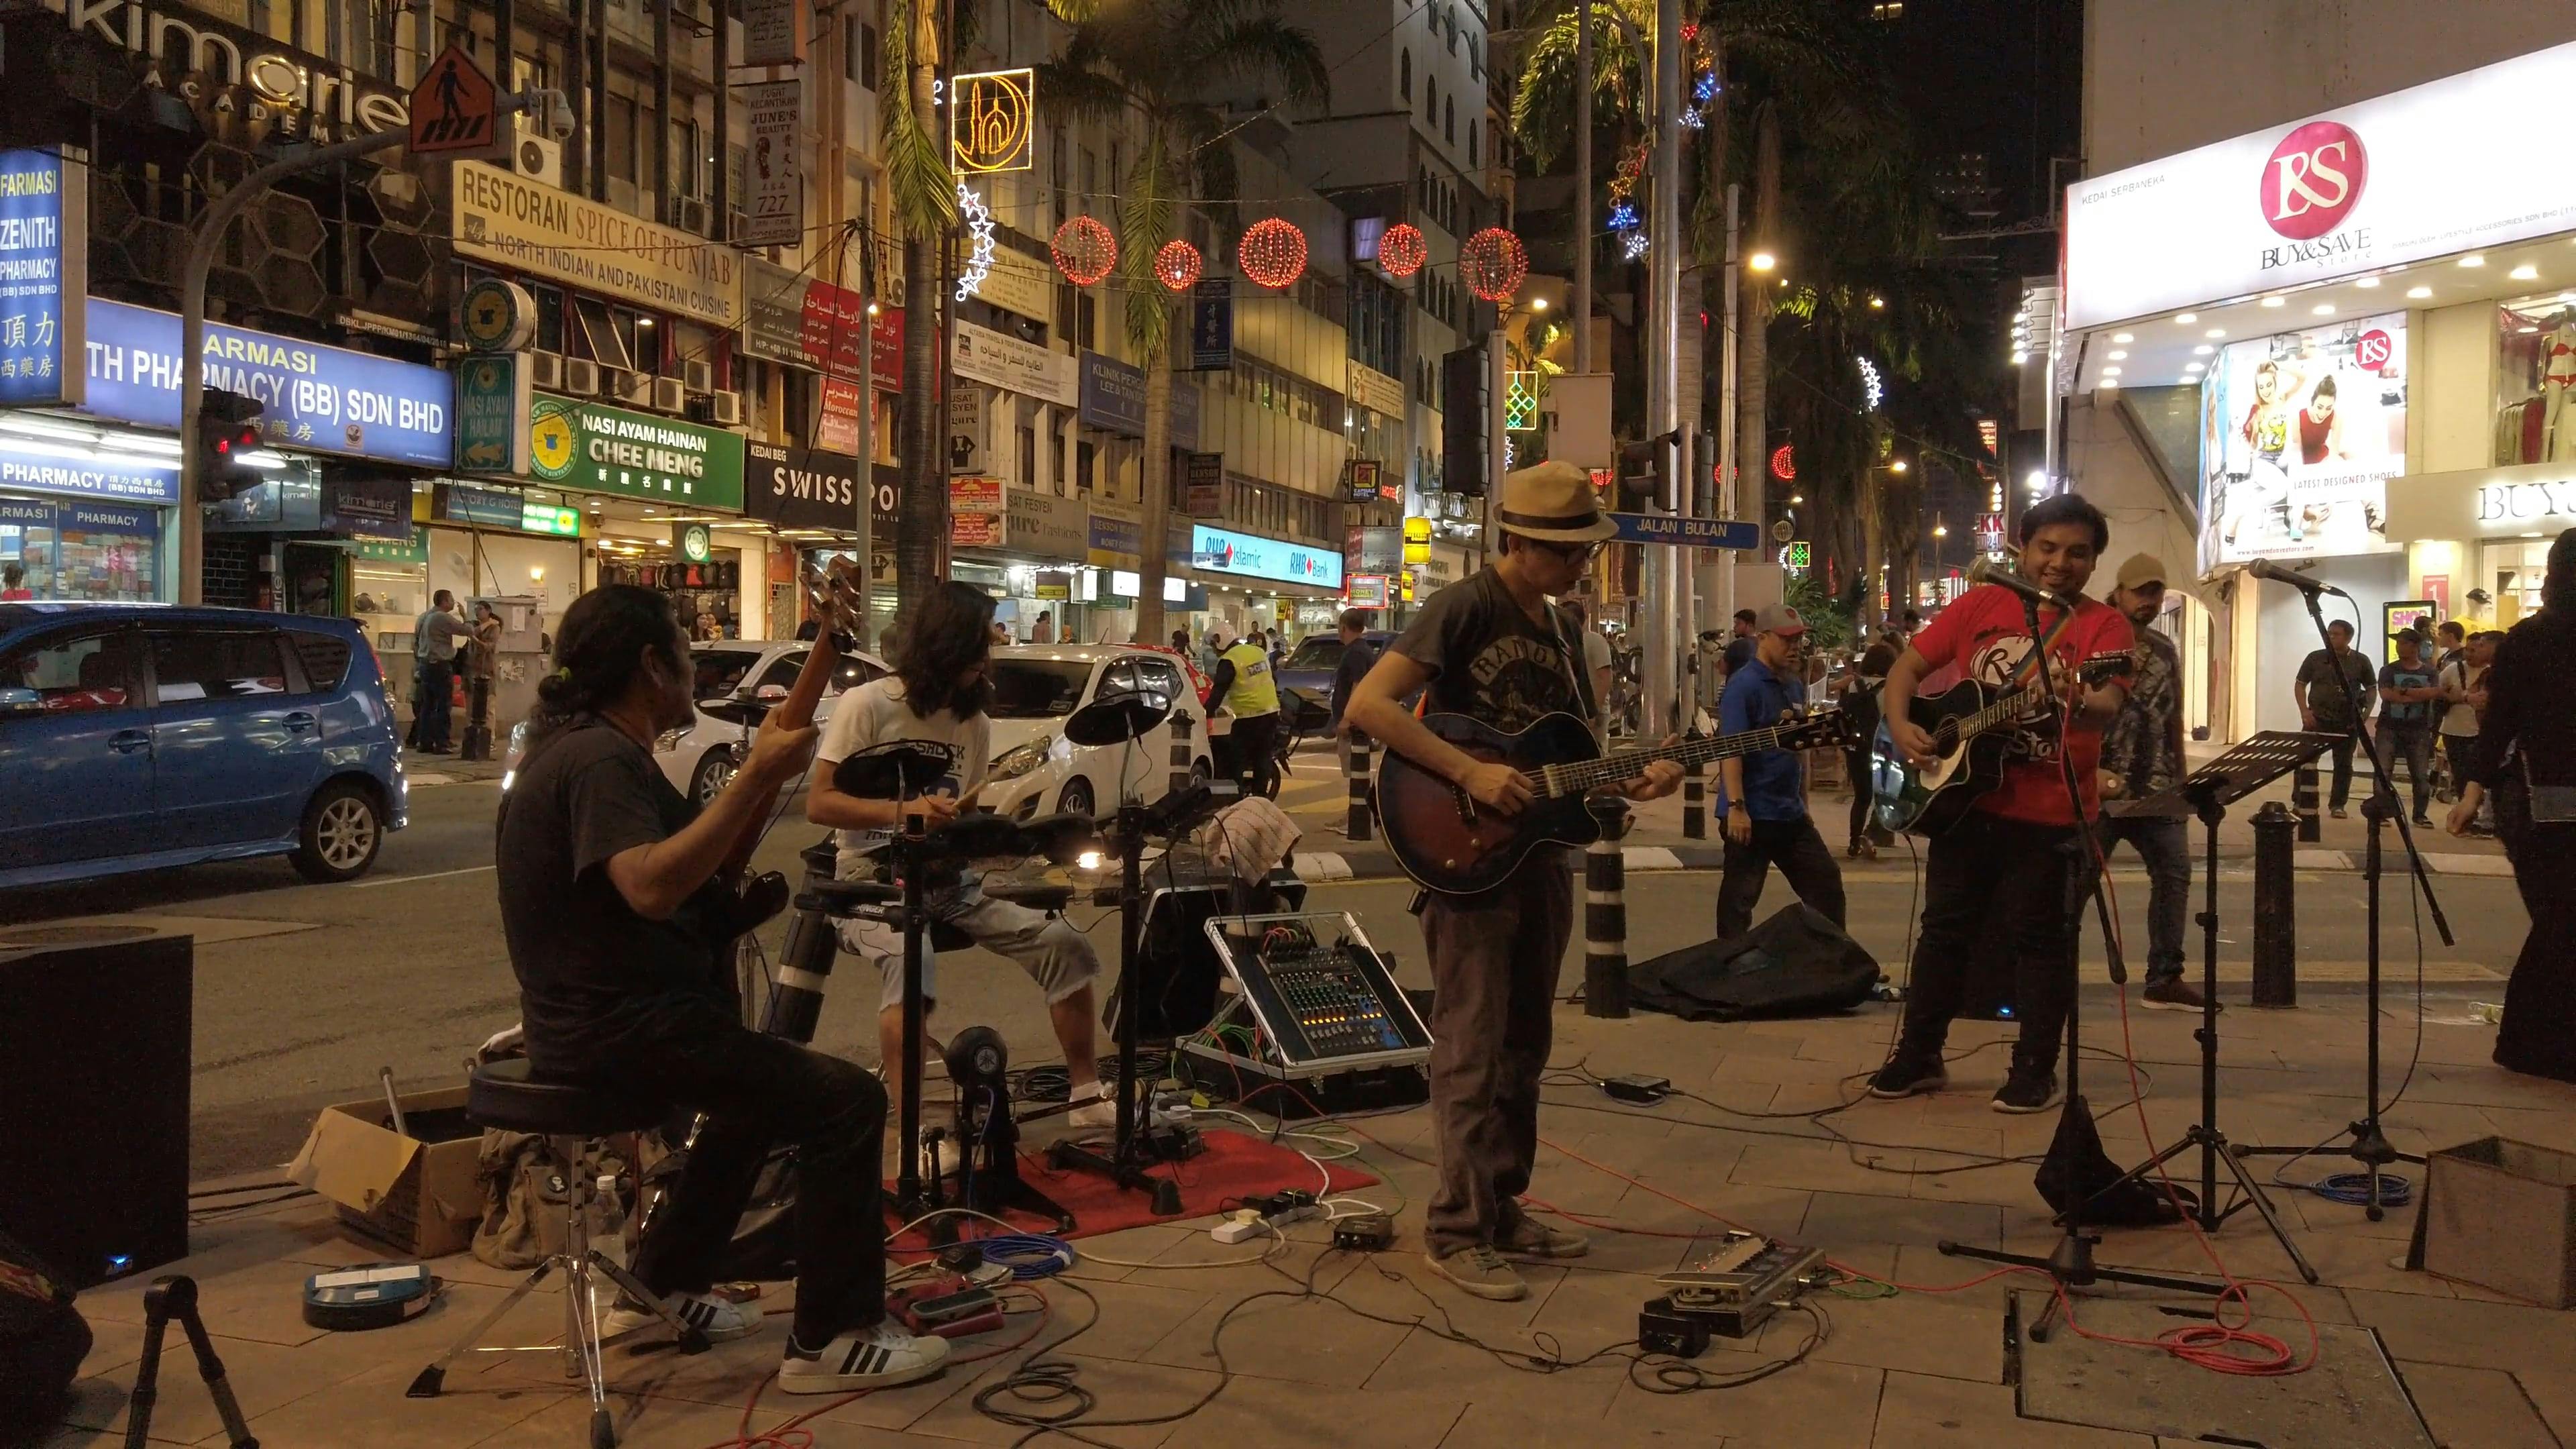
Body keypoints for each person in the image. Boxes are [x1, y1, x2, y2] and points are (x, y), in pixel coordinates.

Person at [494, 586, 949, 1393]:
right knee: (846, 1103)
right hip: (624, 1030)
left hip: (615, 1022)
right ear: (649, 664)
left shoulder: (592, 749)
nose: (693, 665)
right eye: (682, 646)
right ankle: (834, 1341)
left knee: (756, 1099)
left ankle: (661, 1287)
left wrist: (817, 665)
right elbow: (650, 889)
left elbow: (709, 867)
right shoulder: (598, 760)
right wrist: (754, 780)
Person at [1344, 462, 1682, 1302]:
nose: (1582, 566)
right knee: (1471, 1043)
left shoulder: (1566, 634)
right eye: (1569, 552)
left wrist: (1627, 780)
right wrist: (1472, 773)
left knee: (1525, 1044)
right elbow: (1371, 707)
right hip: (1469, 855)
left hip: (1540, 858)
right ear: (1522, 542)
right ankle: (1456, 1233)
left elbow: (1562, 759)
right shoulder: (1466, 606)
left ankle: (1502, 1207)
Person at [806, 582, 1115, 1132]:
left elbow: (963, 820)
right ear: (947, 644)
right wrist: (906, 813)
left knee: (1061, 942)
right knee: (911, 956)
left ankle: (1087, 1096)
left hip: (949, 880)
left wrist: (1005, 840)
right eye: (980, 643)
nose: (987, 657)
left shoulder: (974, 723)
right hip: (870, 881)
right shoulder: (868, 705)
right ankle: (918, 1129)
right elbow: (821, 803)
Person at [1868, 492, 2135, 1114]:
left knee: (2042, 945)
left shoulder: (2104, 628)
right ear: (2022, 545)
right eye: (2047, 548)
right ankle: (1920, 1054)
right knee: (1942, 934)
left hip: (2050, 816)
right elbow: (1906, 668)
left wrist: (2073, 697)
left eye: (2077, 553)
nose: (2059, 563)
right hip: (1966, 808)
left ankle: (2034, 1069)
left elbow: (2104, 711)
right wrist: (1903, 724)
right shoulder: (1983, 601)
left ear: (2094, 563)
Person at [2447, 527, 2576, 1083]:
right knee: (2561, 923)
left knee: (2560, 924)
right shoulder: (2532, 639)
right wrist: (2471, 793)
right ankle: (2528, 1045)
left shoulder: (2528, 637)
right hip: (2536, 803)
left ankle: (2537, 1044)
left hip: (2536, 803)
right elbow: (2501, 725)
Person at [2094, 555, 2205, 1012]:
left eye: (2155, 592)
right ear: (2118, 592)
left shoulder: (2164, 650)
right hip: (2099, 786)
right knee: (2073, 883)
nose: (2148, 601)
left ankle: (2165, 976)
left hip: (2157, 787)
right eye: (2139, 591)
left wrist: (2181, 785)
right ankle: (2042, 975)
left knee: (2174, 876)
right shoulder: (2094, 641)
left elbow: (2172, 718)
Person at [1714, 603, 1845, 941]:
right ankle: (1730, 972)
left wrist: (1805, 804)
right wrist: (1736, 808)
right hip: (1751, 814)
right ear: (1763, 638)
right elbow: (1731, 749)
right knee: (1738, 903)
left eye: (1799, 639)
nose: (1795, 647)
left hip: (1789, 813)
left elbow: (1798, 751)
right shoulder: (1742, 687)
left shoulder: (1792, 685)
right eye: (1787, 639)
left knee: (1826, 884)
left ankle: (1829, 964)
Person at [2294, 620, 2377, 818]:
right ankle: (2300, 801)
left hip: (2346, 720)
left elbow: (2372, 688)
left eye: (2336, 634)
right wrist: (2305, 711)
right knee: (2304, 761)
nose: (2330, 638)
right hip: (2317, 718)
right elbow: (2300, 685)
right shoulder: (2315, 658)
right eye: (2329, 634)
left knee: (2343, 765)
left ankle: (2338, 804)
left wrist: (2366, 713)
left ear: (2348, 638)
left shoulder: (2360, 661)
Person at [1837, 635, 1900, 859]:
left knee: (1861, 797)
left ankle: (1854, 842)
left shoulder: (1854, 684)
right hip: (1883, 747)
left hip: (1856, 746)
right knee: (1887, 795)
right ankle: (1872, 834)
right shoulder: (1892, 687)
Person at [1207, 624, 1283, 800]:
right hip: (1271, 712)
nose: (1213, 650)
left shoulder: (1229, 660)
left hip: (1249, 717)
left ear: (1219, 641)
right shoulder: (1257, 652)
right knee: (1262, 757)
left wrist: (1207, 713)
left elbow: (1218, 691)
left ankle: (1236, 798)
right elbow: (1273, 678)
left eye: (1213, 645)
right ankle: (1260, 799)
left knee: (1237, 758)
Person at [2375, 628, 2440, 827]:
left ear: (2415, 646)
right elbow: (2387, 695)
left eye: (2403, 643)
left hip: (2418, 728)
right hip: (2389, 726)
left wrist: (2404, 691)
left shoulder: (2429, 671)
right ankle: (2381, 813)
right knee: (2383, 771)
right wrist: (2419, 694)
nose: (2398, 646)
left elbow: (2434, 694)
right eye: (2398, 642)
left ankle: (2420, 814)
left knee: (2420, 774)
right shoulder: (2389, 670)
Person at [2438, 631, 2498, 836]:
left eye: (2480, 647)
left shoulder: (2499, 673)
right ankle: (2478, 817)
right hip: (2457, 730)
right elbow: (2443, 692)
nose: (2474, 653)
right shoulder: (2456, 669)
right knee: (2465, 775)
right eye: (2472, 648)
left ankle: (2488, 819)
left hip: (2488, 734)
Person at [411, 590, 473, 753]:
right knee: (443, 706)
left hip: (425, 665)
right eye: (451, 599)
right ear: (444, 601)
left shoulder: (425, 617)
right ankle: (442, 743)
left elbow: (416, 641)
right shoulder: (442, 617)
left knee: (428, 706)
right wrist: (465, 615)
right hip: (439, 665)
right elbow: (467, 630)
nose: (453, 603)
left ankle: (425, 742)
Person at [1561, 596, 1613, 739]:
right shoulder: (1563, 641)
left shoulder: (1595, 641)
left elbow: (1605, 677)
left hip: (1594, 712)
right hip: (1573, 713)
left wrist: (1593, 711)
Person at [1325, 608, 1381, 737]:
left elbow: (1358, 685)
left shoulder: (1356, 652)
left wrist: (1348, 719)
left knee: (1351, 756)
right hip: (1356, 721)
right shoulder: (1362, 649)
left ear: (1343, 627)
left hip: (1353, 726)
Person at [462, 601, 503, 762]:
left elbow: (488, 647)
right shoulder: (476, 625)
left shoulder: (495, 628)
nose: (477, 612)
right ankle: (470, 739)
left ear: (488, 611)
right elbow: (469, 630)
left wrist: (475, 639)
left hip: (486, 670)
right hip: (471, 670)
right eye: (475, 610)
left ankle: (490, 739)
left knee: (488, 707)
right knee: (470, 707)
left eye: (480, 609)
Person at [1721, 608, 1759, 676]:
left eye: (1738, 624)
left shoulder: (1737, 645)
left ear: (1749, 625)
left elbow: (1723, 670)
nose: (1735, 627)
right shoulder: (1762, 644)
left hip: (1736, 684)